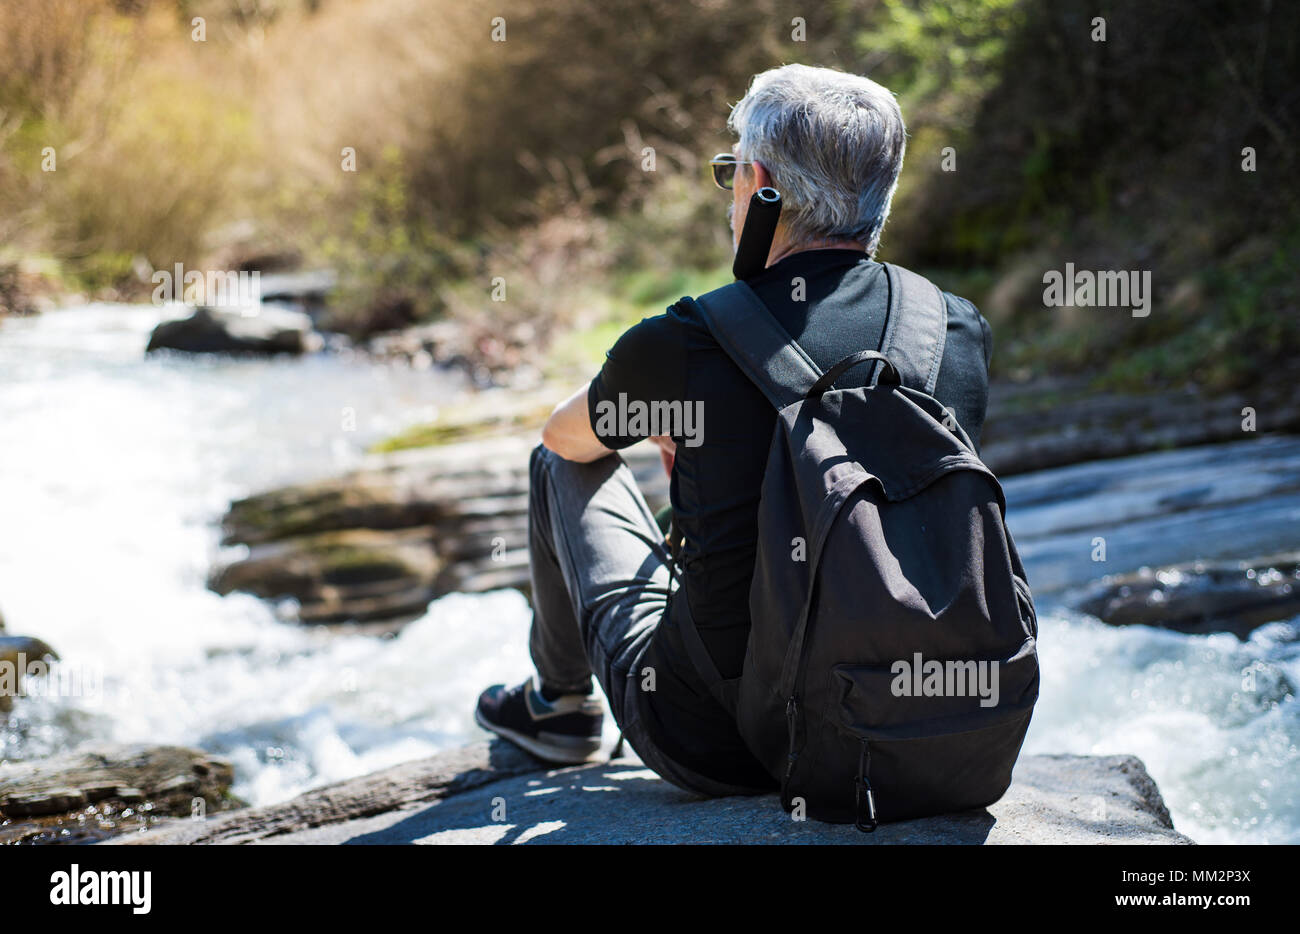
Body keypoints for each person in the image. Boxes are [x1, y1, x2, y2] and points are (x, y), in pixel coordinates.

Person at [474, 63, 993, 797]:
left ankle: (558, 710)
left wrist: (676, 426)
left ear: (760, 183)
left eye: (730, 175)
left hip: (716, 741)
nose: (729, 197)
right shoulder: (955, 328)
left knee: (556, 465)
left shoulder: (688, 339)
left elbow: (566, 440)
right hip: (910, 725)